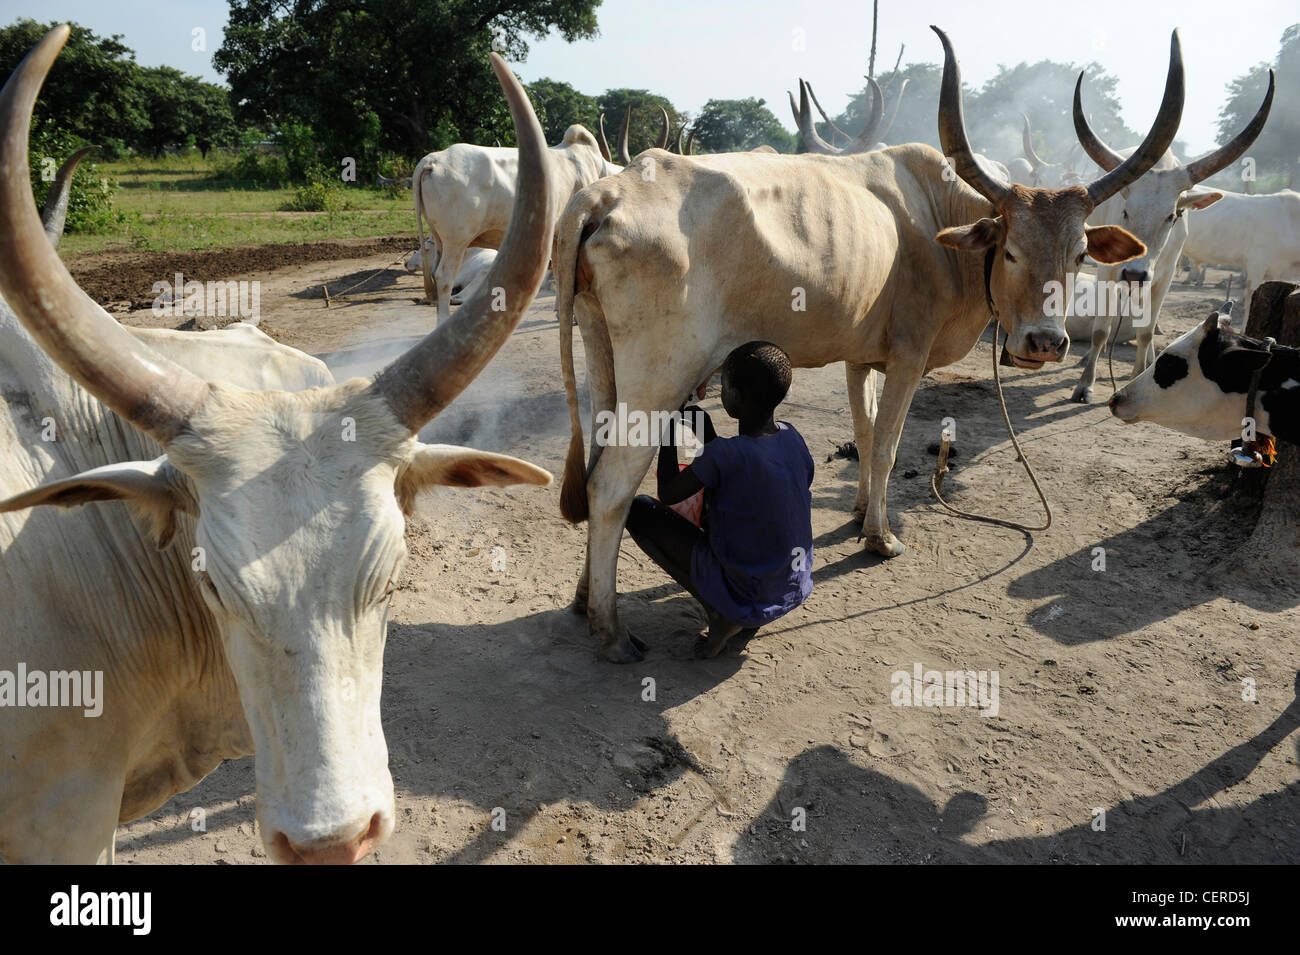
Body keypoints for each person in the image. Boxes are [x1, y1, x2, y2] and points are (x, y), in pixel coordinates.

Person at [625, 341, 814, 658]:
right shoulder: (792, 437)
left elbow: (669, 493)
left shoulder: (723, 454)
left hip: (747, 589)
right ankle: (748, 611)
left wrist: (669, 428)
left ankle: (723, 614)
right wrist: (706, 430)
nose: (718, 391)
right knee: (733, 513)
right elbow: (761, 485)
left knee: (639, 510)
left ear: (736, 397)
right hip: (789, 586)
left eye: (723, 385)